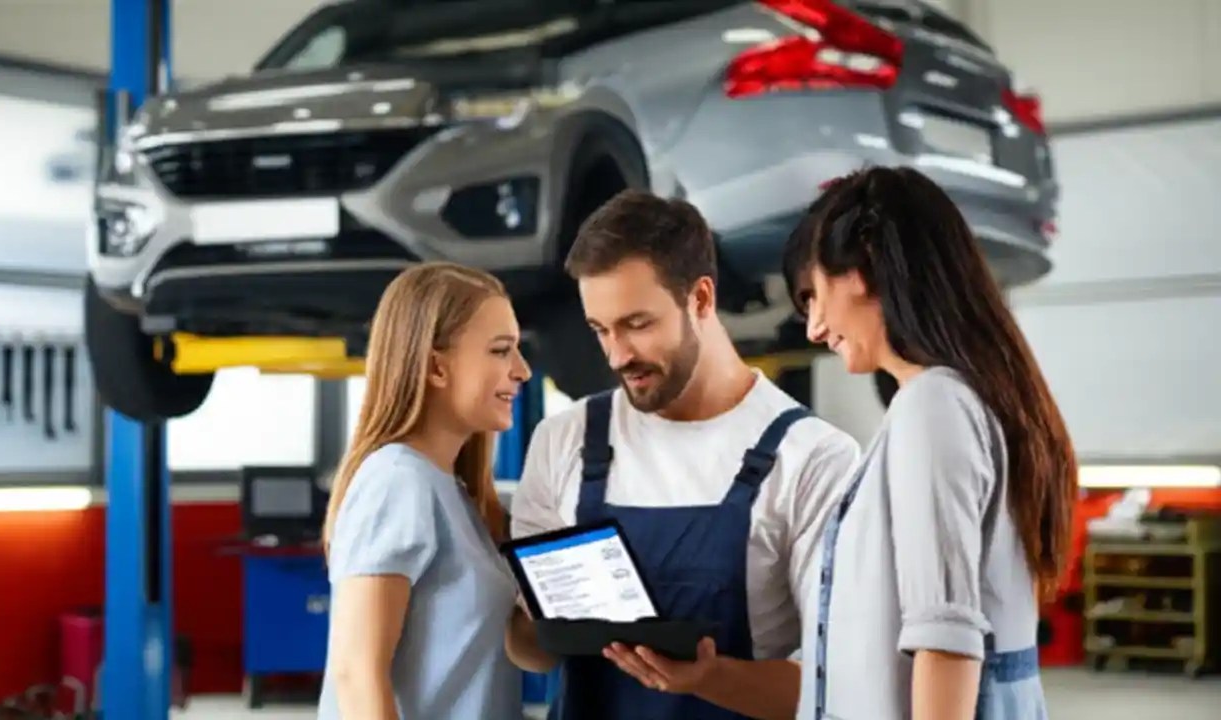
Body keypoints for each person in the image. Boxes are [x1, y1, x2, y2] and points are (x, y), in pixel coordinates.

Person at [509, 190, 862, 720]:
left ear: (700, 299)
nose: (618, 355)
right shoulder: (565, 440)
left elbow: (835, 685)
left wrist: (709, 678)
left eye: (637, 324)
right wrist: (548, 622)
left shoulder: (812, 457)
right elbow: (528, 652)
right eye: (600, 330)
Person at [776, 166, 1077, 719]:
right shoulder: (964, 400)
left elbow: (945, 636)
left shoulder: (932, 404)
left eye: (813, 295)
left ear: (863, 260)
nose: (815, 328)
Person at [316, 262, 538, 720]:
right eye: (501, 351)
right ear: (437, 367)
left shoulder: (459, 494)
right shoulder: (397, 480)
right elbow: (356, 674)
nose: (523, 370)